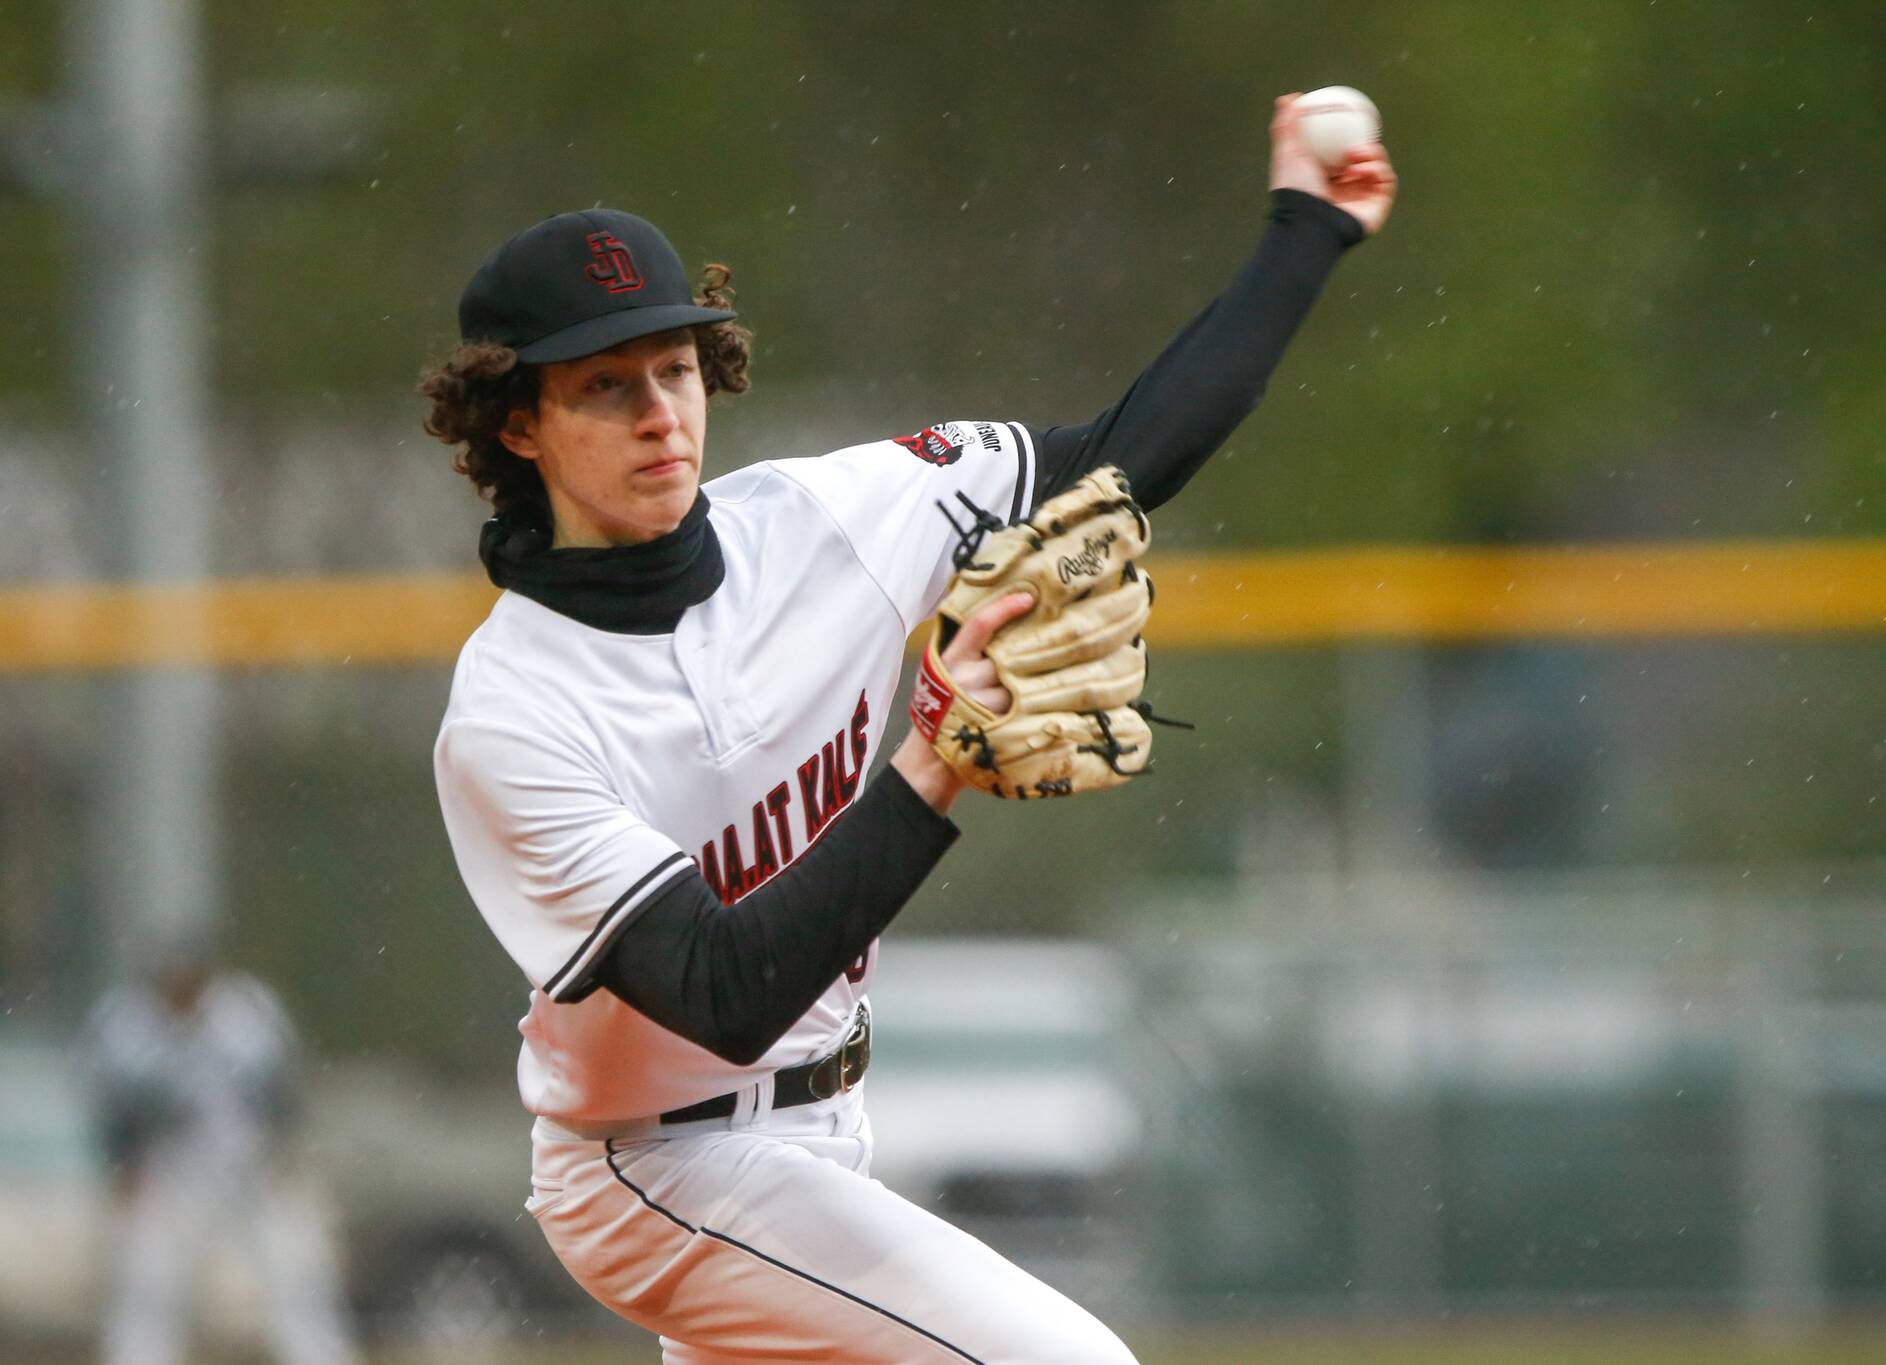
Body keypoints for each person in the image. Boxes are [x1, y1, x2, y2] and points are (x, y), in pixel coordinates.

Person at [423, 95, 1396, 1363]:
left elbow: (1120, 459)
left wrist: (1305, 230)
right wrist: (932, 759)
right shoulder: (513, 712)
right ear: (516, 424)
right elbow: (727, 993)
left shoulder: (823, 523)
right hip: (654, 1173)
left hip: (826, 1127)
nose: (662, 412)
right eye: (606, 386)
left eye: (674, 368)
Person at [80, 927, 362, 1365]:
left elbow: (285, 1088)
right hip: (173, 1168)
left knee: (297, 1277)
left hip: (254, 1159)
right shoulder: (127, 1023)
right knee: (151, 1286)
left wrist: (287, 1155)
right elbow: (113, 1108)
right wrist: (123, 1168)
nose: (182, 990)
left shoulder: (247, 1013)